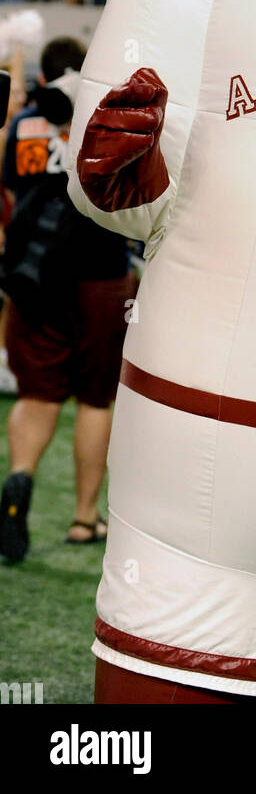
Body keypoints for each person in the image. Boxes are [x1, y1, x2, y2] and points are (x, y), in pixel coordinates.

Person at [0, 38, 133, 561]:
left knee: (37, 394)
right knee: (95, 399)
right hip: (100, 272)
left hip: (35, 274)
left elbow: (10, 187)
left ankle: (20, 476)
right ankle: (83, 518)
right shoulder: (103, 118)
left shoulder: (25, 124)